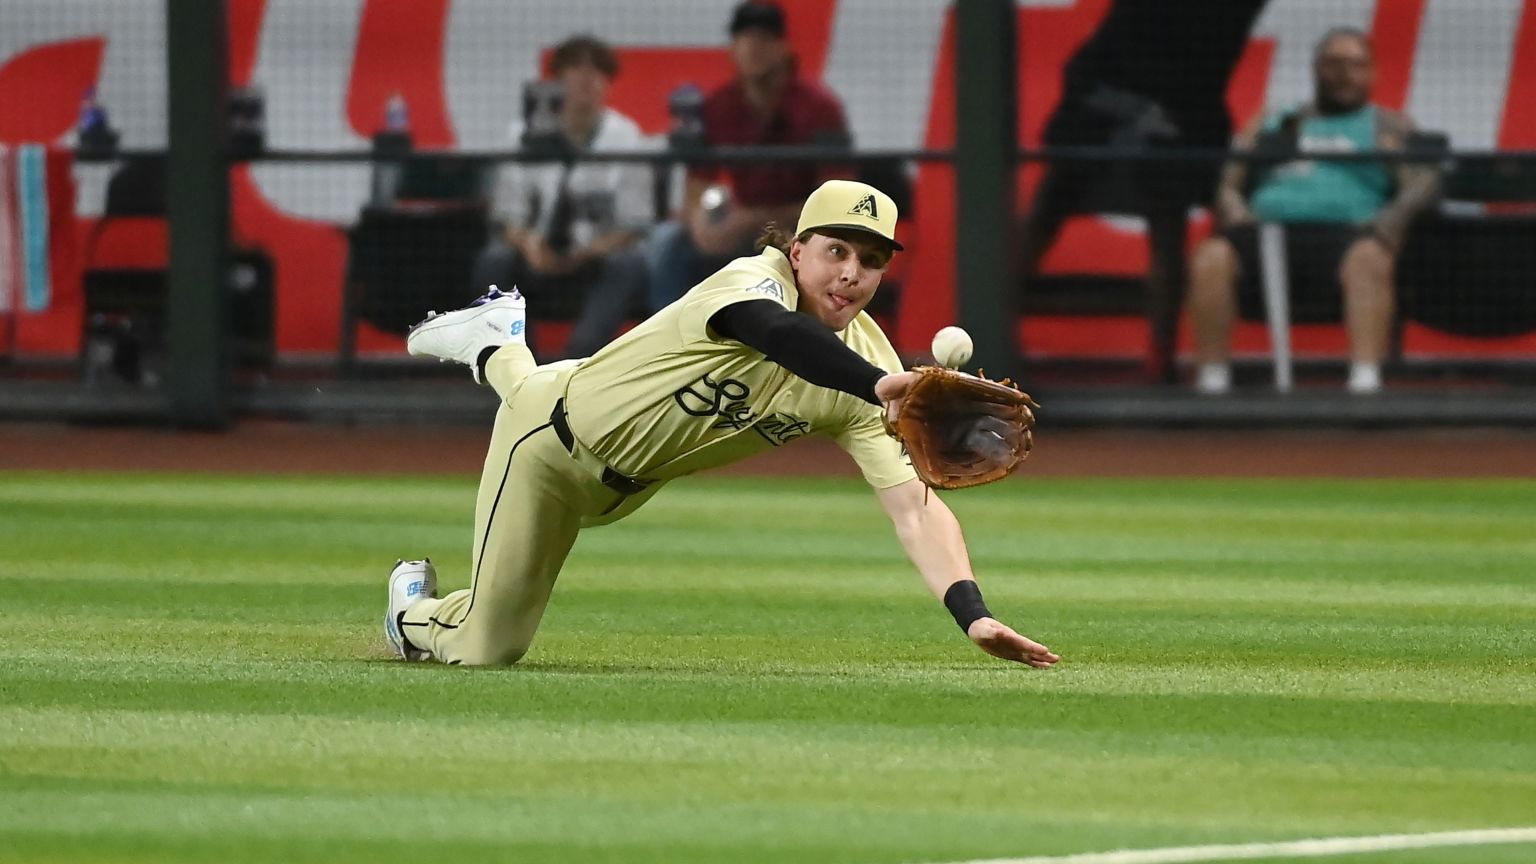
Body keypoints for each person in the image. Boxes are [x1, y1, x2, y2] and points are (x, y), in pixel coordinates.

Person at [387, 179, 1060, 670]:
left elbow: (915, 507)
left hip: (622, 480)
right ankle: (407, 611)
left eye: (872, 260)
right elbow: (774, 332)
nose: (851, 274)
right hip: (547, 446)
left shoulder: (869, 371)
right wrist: (877, 384)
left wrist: (973, 616)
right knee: (486, 648)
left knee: (541, 394)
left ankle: (499, 341)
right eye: (836, 251)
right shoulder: (751, 283)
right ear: (797, 251)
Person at [1186, 27, 1440, 394]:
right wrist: (1234, 210)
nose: (1344, 74)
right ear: (1316, 69)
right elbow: (1230, 175)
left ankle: (1365, 381)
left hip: (1346, 237)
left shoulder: (1389, 125)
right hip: (1264, 233)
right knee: (1211, 257)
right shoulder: (1278, 119)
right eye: (1334, 63)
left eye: (1356, 64)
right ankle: (1212, 381)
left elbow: (1424, 182)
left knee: (1371, 258)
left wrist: (1390, 220)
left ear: (1373, 73)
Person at [645, 0, 851, 312]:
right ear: (733, 48)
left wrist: (754, 220)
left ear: (783, 48)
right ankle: (671, 344)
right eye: (744, 39)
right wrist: (703, 228)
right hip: (741, 228)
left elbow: (838, 200)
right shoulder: (719, 106)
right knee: (669, 241)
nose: (753, 48)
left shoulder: (819, 107)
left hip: (800, 230)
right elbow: (697, 184)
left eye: (764, 40)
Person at [474, 35, 652, 359]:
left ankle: (580, 360)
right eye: (575, 68)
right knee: (494, 261)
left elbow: (633, 224)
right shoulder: (523, 136)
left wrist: (583, 252)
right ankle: (520, 365)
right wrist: (530, 245)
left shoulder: (625, 137)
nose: (585, 78)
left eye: (596, 70)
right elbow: (507, 217)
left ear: (607, 82)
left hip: (597, 257)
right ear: (556, 80)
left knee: (631, 264)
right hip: (535, 255)